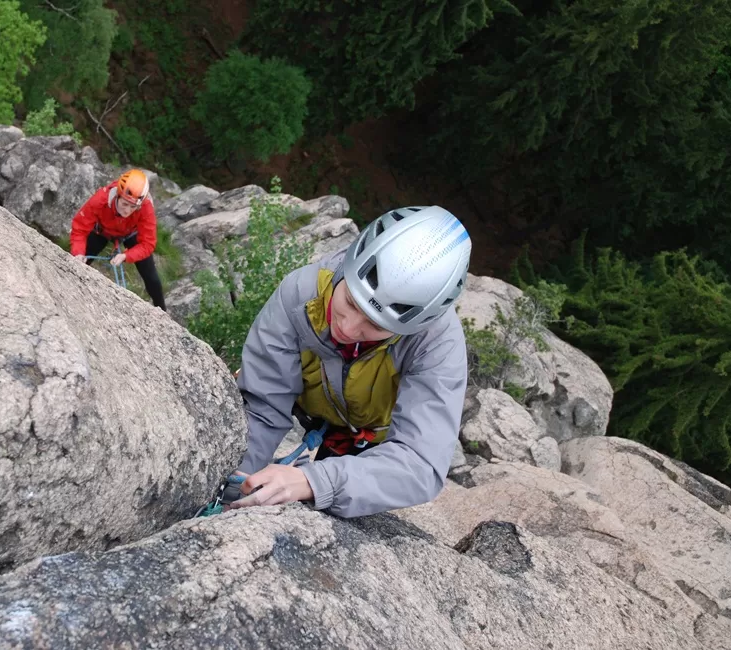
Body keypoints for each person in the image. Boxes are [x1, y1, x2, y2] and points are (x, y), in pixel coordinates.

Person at [224, 205, 471, 518]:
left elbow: (421, 462)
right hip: (309, 402)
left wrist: (313, 481)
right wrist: (233, 486)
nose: (348, 328)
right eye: (350, 302)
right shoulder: (301, 295)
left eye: (377, 325)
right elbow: (263, 407)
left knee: (331, 501)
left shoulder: (436, 344)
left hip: (369, 439)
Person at [70, 169, 166, 311]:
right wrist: (77, 253)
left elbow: (148, 244)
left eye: (133, 207)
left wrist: (126, 256)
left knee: (152, 279)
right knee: (79, 263)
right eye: (124, 204)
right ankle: (70, 295)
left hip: (131, 232)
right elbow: (80, 229)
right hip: (102, 230)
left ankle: (163, 312)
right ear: (117, 196)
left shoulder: (145, 207)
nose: (127, 210)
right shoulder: (101, 199)